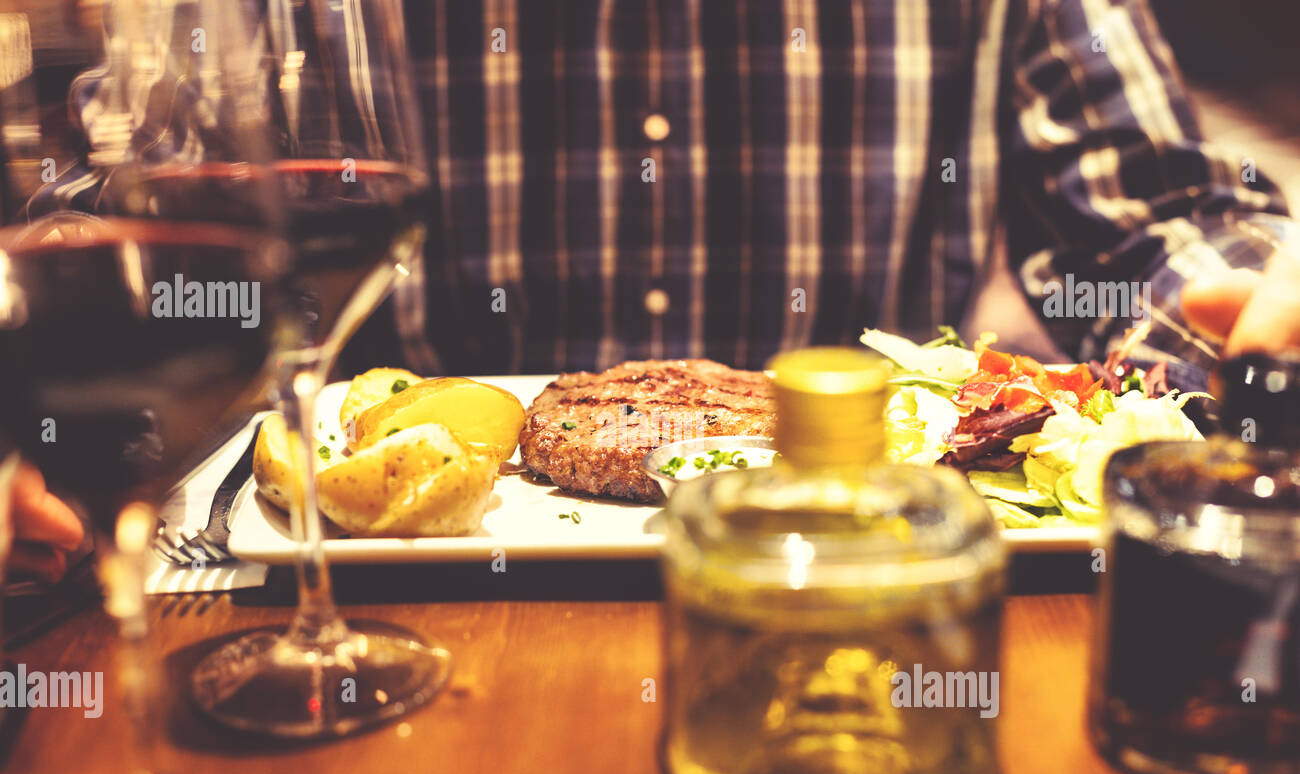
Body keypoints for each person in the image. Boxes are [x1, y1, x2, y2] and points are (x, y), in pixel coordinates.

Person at [8, 0, 1300, 579]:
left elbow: (1163, 222)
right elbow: (127, 234)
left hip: (869, 596)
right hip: (366, 607)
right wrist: (30, 410)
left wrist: (1260, 326)